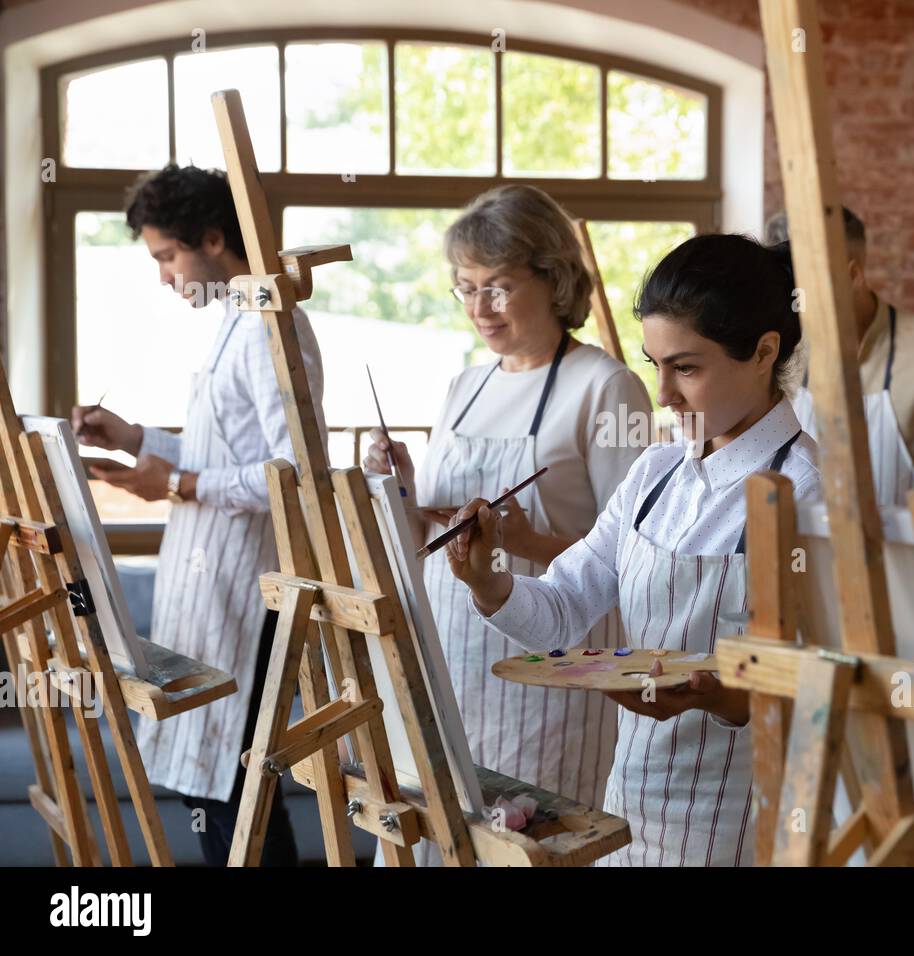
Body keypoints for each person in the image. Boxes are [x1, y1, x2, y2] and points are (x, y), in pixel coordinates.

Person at [443, 234, 821, 866]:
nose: (665, 393)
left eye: (687, 367)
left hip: (743, 818)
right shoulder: (655, 474)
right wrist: (489, 582)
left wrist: (717, 698)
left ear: (763, 351)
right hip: (628, 805)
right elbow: (565, 607)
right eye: (656, 365)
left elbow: (822, 684)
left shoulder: (808, 490)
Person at [364, 186, 652, 842]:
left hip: (547, 674)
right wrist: (400, 485)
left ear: (553, 279)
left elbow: (634, 558)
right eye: (464, 288)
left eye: (496, 286)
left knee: (529, 844)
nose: (478, 308)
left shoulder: (607, 386)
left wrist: (532, 541)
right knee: (445, 837)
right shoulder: (465, 387)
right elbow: (422, 543)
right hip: (448, 661)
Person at [72, 164, 324, 865]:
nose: (161, 276)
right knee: (211, 798)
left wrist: (179, 482)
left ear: (213, 237)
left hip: (249, 592)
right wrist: (132, 439)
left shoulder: (273, 325)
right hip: (206, 587)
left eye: (166, 257)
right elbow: (219, 450)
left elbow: (295, 473)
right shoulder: (230, 321)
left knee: (235, 798)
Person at [765, 208, 914, 509]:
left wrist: (880, 526)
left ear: (853, 276)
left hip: (902, 552)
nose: (792, 304)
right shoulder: (781, 351)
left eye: (800, 291)